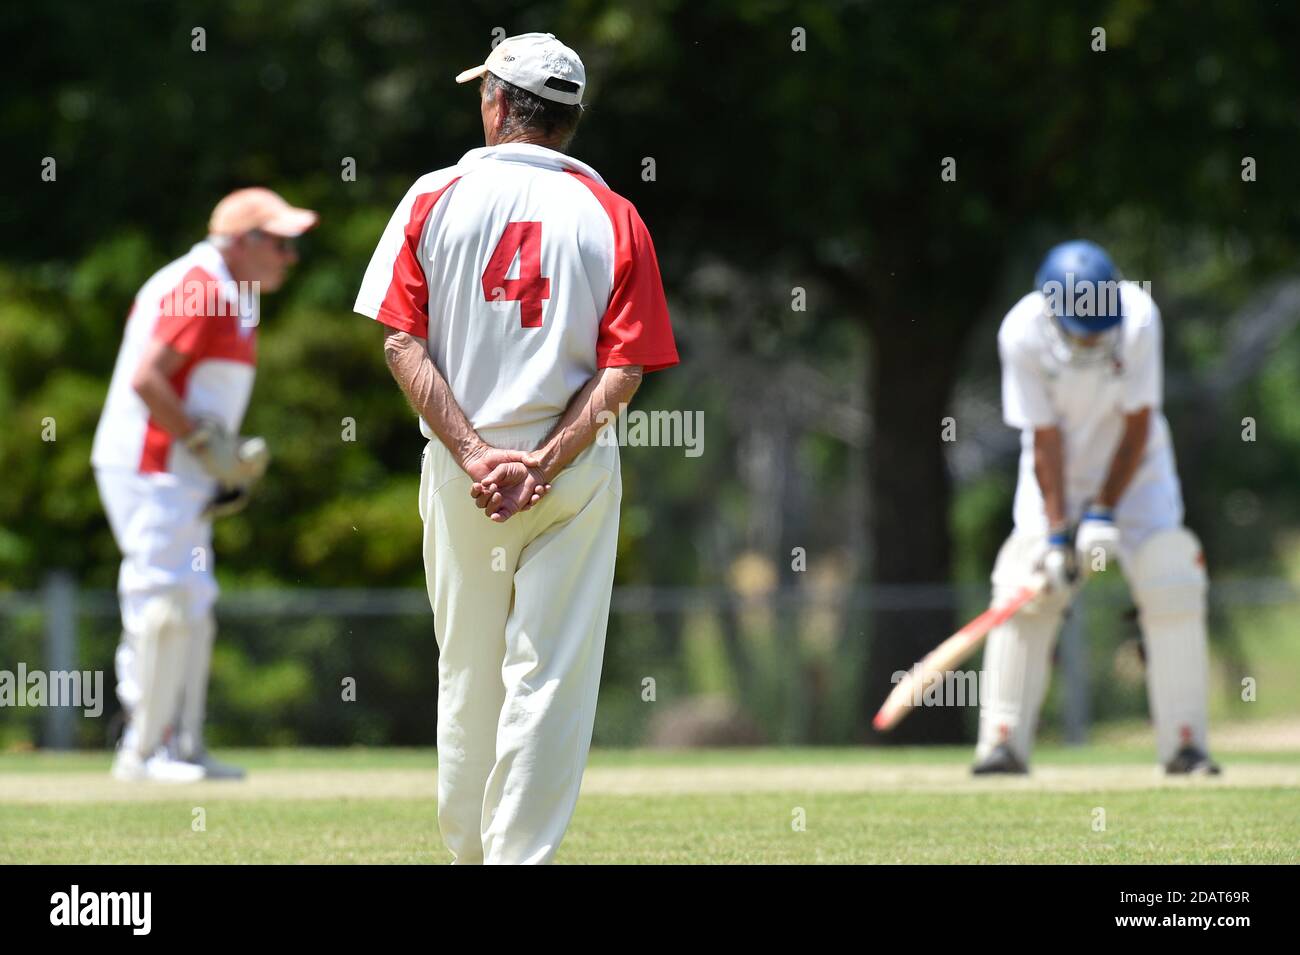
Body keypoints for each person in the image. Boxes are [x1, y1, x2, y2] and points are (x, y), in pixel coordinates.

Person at [355, 32, 679, 863]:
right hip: (567, 475)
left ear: (498, 105)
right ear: (570, 120)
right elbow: (624, 371)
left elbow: (400, 341)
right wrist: (542, 462)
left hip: (463, 474)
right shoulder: (614, 215)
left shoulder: (435, 195)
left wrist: (473, 454)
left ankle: (470, 857)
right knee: (551, 680)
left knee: (469, 675)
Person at [92, 188, 317, 781]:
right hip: (154, 463)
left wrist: (210, 459)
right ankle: (147, 751)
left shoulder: (230, 290)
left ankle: (180, 747)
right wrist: (200, 445)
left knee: (192, 603)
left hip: (178, 469)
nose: (290, 257)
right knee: (162, 598)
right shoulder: (203, 285)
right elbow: (147, 380)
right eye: (280, 242)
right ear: (243, 242)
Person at [974, 239, 1220, 776]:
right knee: (1026, 579)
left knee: (1171, 574)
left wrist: (1106, 513)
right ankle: (1003, 745)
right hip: (1055, 476)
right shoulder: (1021, 334)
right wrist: (1060, 534)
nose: (1091, 340)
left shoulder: (1138, 320)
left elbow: (1137, 426)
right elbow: (1044, 440)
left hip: (1137, 472)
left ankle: (1186, 746)